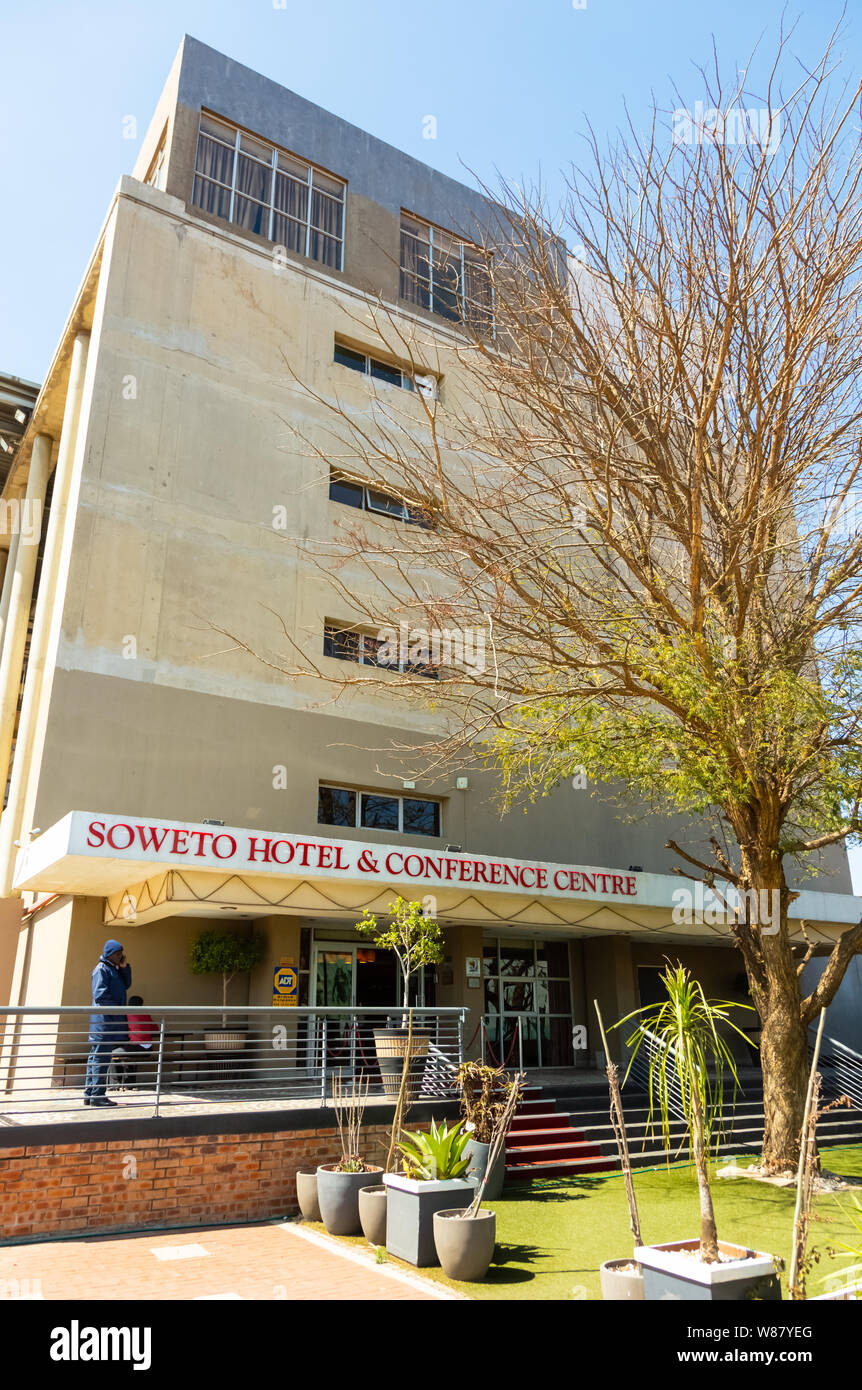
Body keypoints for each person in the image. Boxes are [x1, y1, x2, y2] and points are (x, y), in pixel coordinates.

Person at [84, 939, 131, 1107]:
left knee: (97, 1056)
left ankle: (90, 1094)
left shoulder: (113, 969)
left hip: (109, 1021)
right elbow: (100, 995)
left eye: (121, 954)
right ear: (110, 954)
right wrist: (117, 1009)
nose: (121, 957)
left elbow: (127, 985)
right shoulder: (101, 969)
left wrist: (124, 968)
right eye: (118, 954)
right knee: (100, 1058)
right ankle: (97, 1095)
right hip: (103, 1021)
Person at [111, 996, 155, 1089]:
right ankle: (129, 1084)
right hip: (148, 1049)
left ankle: (115, 1083)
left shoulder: (127, 1013)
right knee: (127, 1054)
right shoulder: (146, 1014)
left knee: (113, 1054)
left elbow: (121, 1029)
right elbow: (155, 1029)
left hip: (136, 1046)